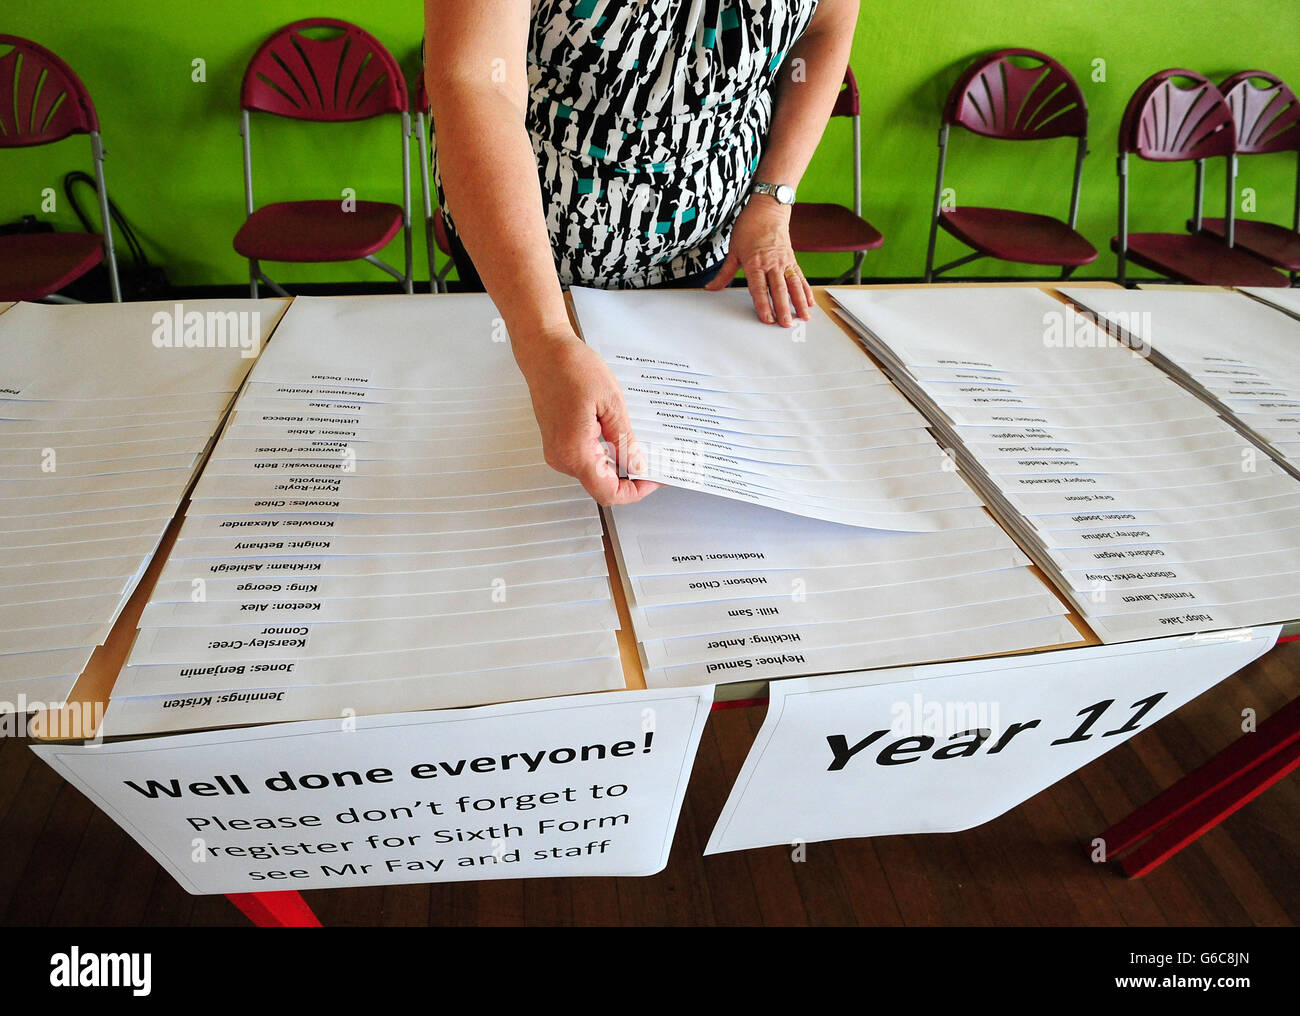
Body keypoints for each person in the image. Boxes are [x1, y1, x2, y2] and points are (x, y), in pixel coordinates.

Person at [424, 0, 858, 505]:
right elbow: (477, 81)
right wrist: (542, 337)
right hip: (527, 255)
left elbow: (824, 29)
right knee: (505, 466)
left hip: (703, 245)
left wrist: (772, 198)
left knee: (668, 493)